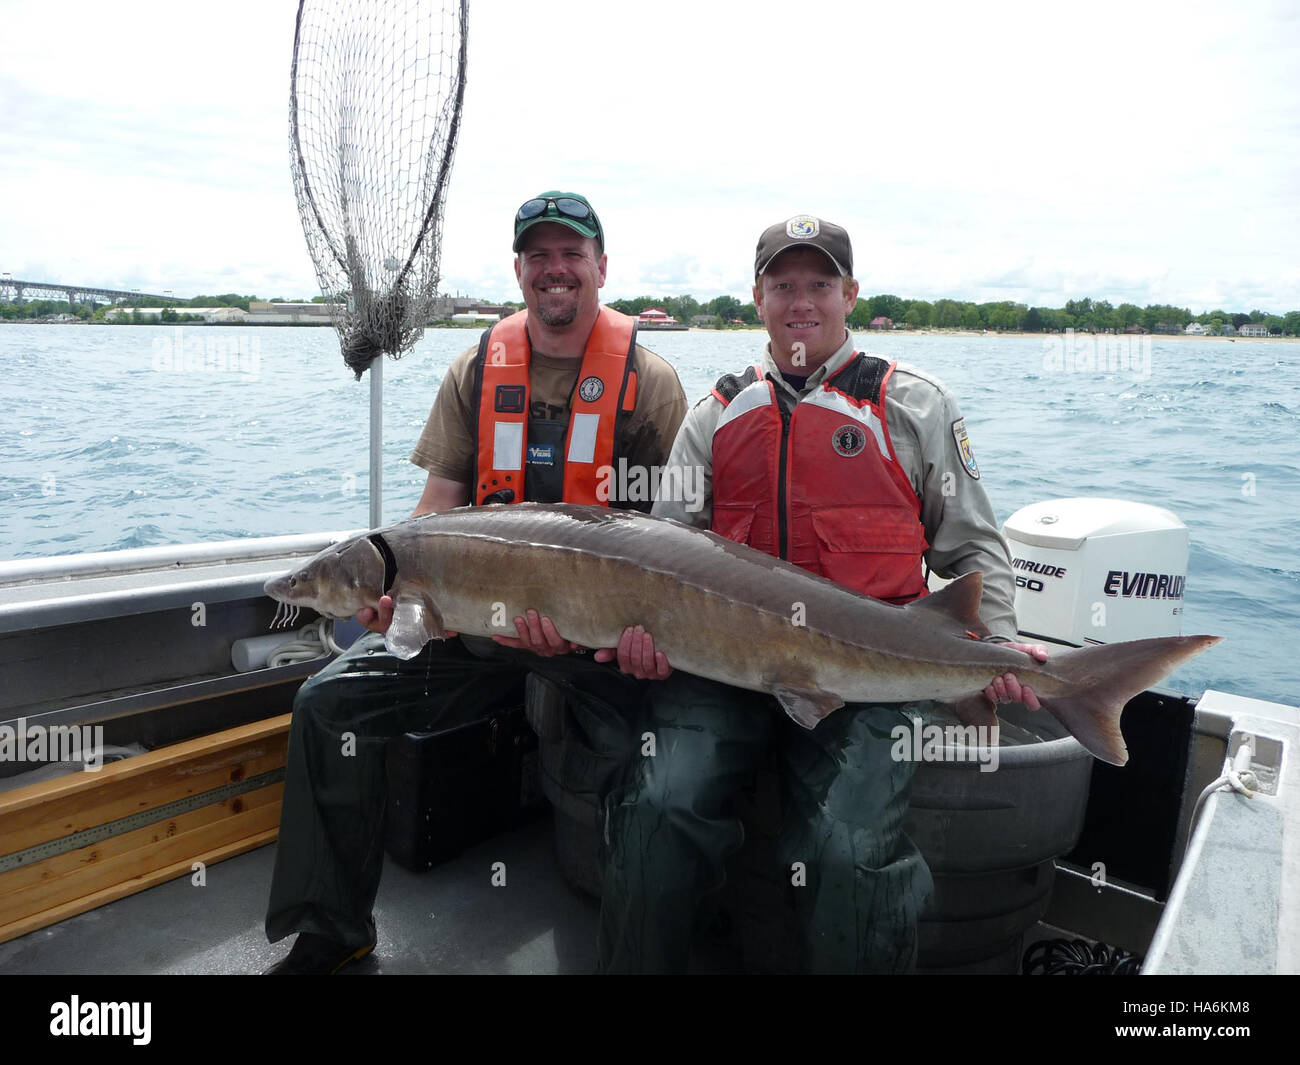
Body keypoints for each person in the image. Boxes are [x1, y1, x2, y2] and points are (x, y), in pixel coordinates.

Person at [597, 214, 1047, 974]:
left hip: (870, 680)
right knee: (659, 805)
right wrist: (638, 639)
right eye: (782, 284)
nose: (800, 300)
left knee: (845, 846)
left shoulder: (915, 405)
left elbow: (973, 548)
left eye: (819, 283)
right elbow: (656, 556)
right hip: (724, 672)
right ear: (757, 298)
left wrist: (996, 644)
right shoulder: (715, 414)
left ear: (850, 294)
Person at [264, 191, 686, 974]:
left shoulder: (649, 381)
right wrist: (395, 598)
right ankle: (333, 931)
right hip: (472, 629)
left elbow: (679, 543)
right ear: (520, 269)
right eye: (539, 255)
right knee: (327, 703)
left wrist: (626, 641)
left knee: (666, 768)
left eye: (571, 254)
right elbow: (434, 512)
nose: (555, 269)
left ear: (601, 266)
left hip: (597, 644)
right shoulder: (476, 367)